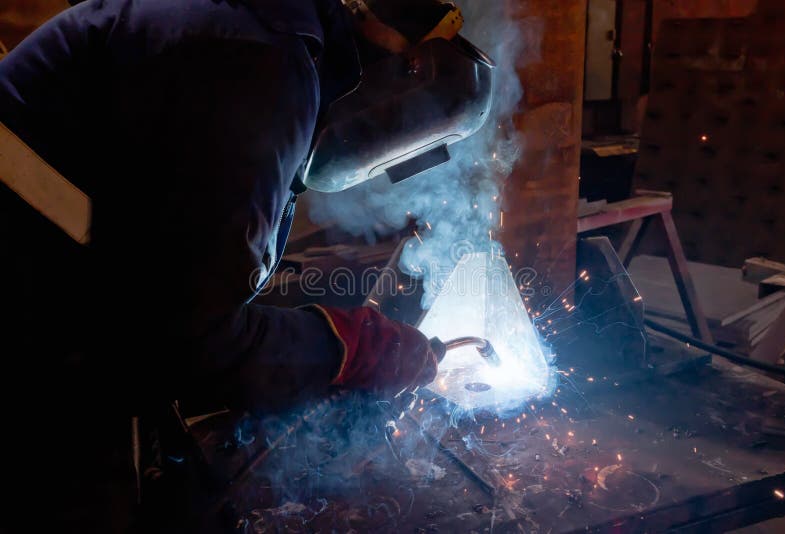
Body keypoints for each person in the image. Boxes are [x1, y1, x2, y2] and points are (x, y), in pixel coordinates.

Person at [0, 0, 483, 531]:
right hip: (33, 299)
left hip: (68, 283)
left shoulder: (269, 32)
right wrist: (348, 347)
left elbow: (175, 280)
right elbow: (194, 337)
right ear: (409, 63)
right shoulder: (262, 63)